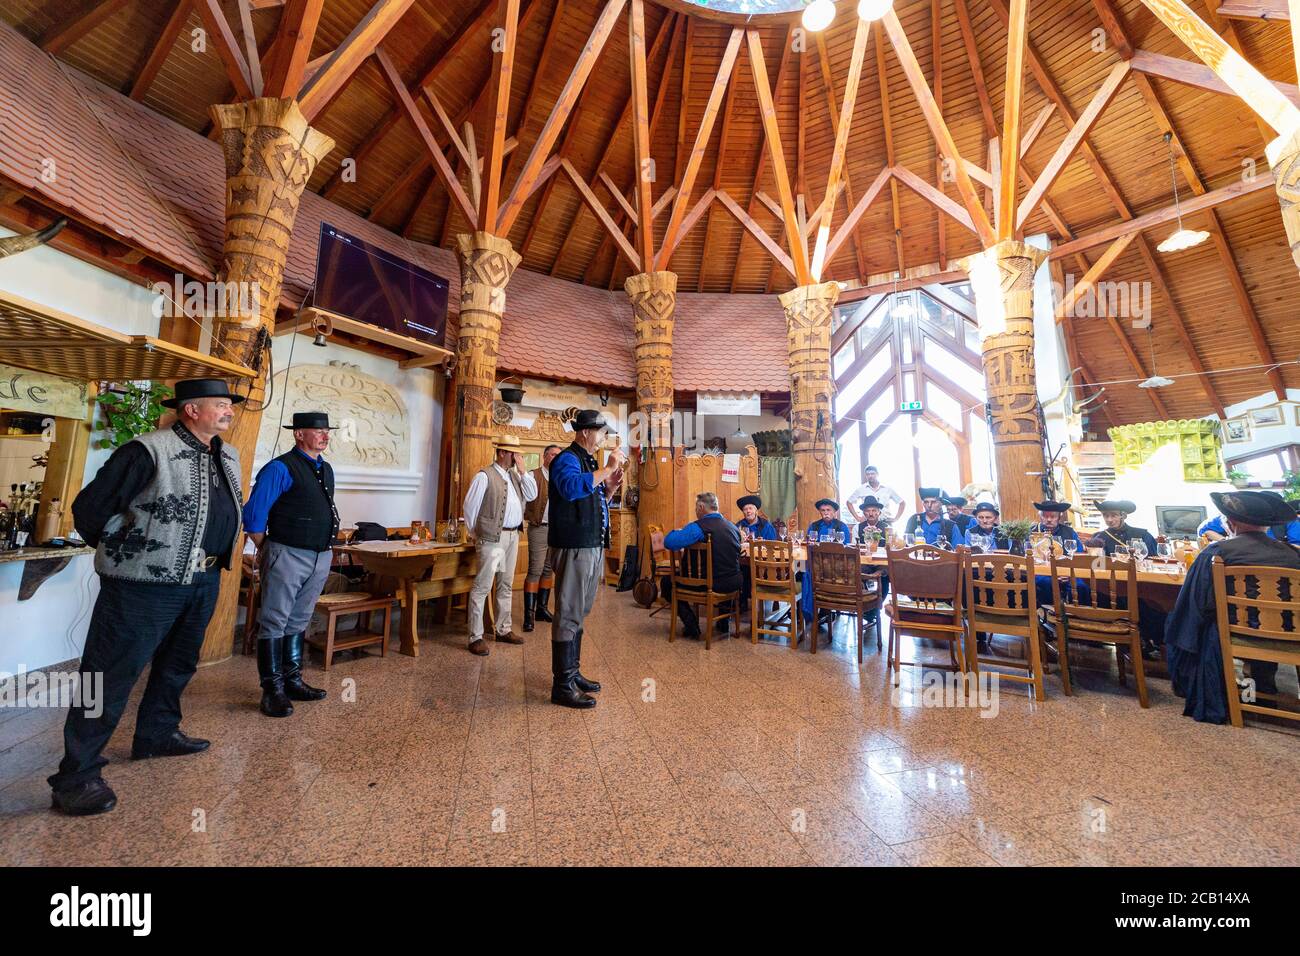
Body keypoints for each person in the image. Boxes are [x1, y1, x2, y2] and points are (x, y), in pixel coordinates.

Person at [50, 379, 244, 816]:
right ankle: (75, 775)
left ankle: (157, 734)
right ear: (191, 410)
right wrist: (127, 555)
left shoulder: (227, 455)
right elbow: (90, 509)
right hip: (141, 586)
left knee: (178, 665)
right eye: (221, 404)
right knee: (109, 674)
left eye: (229, 405)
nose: (230, 411)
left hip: (203, 580)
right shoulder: (146, 450)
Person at [1165, 491, 1300, 723]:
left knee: (1180, 619)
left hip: (1236, 632)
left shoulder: (1217, 553)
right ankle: (1264, 690)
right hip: (1291, 634)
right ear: (1267, 526)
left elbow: (1196, 605)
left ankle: (1209, 686)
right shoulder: (1293, 556)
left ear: (1230, 523)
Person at [242, 411, 338, 718]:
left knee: (299, 620)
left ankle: (292, 680)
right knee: (275, 619)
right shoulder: (280, 467)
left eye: (327, 431)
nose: (325, 435)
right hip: (288, 553)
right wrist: (269, 548)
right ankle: (272, 690)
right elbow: (254, 515)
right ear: (299, 434)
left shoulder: (326, 469)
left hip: (319, 556)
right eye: (318, 430)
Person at [548, 410, 626, 708]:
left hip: (590, 544)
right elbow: (569, 490)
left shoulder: (589, 462)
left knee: (579, 611)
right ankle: (562, 685)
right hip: (573, 545)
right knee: (568, 612)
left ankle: (573, 672)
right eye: (601, 432)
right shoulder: (566, 459)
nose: (603, 438)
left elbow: (592, 501)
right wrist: (606, 470)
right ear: (585, 432)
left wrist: (610, 489)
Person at [462, 434, 537, 657]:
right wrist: (474, 533)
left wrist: (524, 471)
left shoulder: (515, 475)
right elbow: (470, 507)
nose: (516, 457)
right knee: (483, 586)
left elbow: (532, 495)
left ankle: (503, 629)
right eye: (513, 452)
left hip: (513, 537)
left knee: (506, 584)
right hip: (493, 539)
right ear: (502, 452)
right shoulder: (484, 476)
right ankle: (475, 636)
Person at [653, 492, 742, 639]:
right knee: (725, 569)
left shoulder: (699, 527)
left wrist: (679, 531)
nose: (696, 511)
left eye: (696, 507)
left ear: (701, 507)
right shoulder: (733, 527)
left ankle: (691, 624)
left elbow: (669, 542)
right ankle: (723, 622)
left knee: (667, 583)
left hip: (709, 584)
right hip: (733, 582)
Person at [522, 444, 562, 632]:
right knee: (535, 569)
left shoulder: (560, 477)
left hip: (556, 529)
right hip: (538, 528)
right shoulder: (533, 475)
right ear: (545, 457)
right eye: (552, 455)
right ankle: (528, 615)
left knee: (548, 570)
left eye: (558, 455)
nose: (555, 458)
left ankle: (542, 609)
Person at [799, 499, 853, 624]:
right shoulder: (814, 526)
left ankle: (819, 609)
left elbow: (846, 549)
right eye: (823, 510)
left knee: (807, 572)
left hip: (836, 566)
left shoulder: (841, 526)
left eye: (828, 510)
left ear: (834, 512)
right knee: (798, 568)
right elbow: (808, 545)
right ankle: (803, 609)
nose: (826, 513)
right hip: (816, 563)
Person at [1086, 500, 1156, 556]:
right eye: (1105, 515)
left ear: (1124, 516)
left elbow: (1154, 559)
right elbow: (1096, 564)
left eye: (1114, 515)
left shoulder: (1142, 535)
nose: (1109, 520)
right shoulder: (1098, 537)